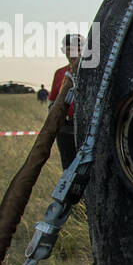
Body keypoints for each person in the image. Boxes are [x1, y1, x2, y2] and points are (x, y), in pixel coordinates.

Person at [50, 34, 81, 170]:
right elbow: (52, 101)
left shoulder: (93, 73)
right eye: (69, 49)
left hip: (84, 129)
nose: (73, 53)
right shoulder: (60, 73)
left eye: (78, 48)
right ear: (63, 50)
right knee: (68, 169)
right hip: (64, 129)